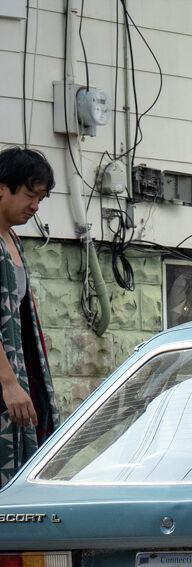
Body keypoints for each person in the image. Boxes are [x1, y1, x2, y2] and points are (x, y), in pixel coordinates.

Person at [0, 148, 57, 483]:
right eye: (29, 195)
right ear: (2, 187)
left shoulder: (13, 241)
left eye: (41, 198)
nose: (35, 206)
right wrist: (8, 383)